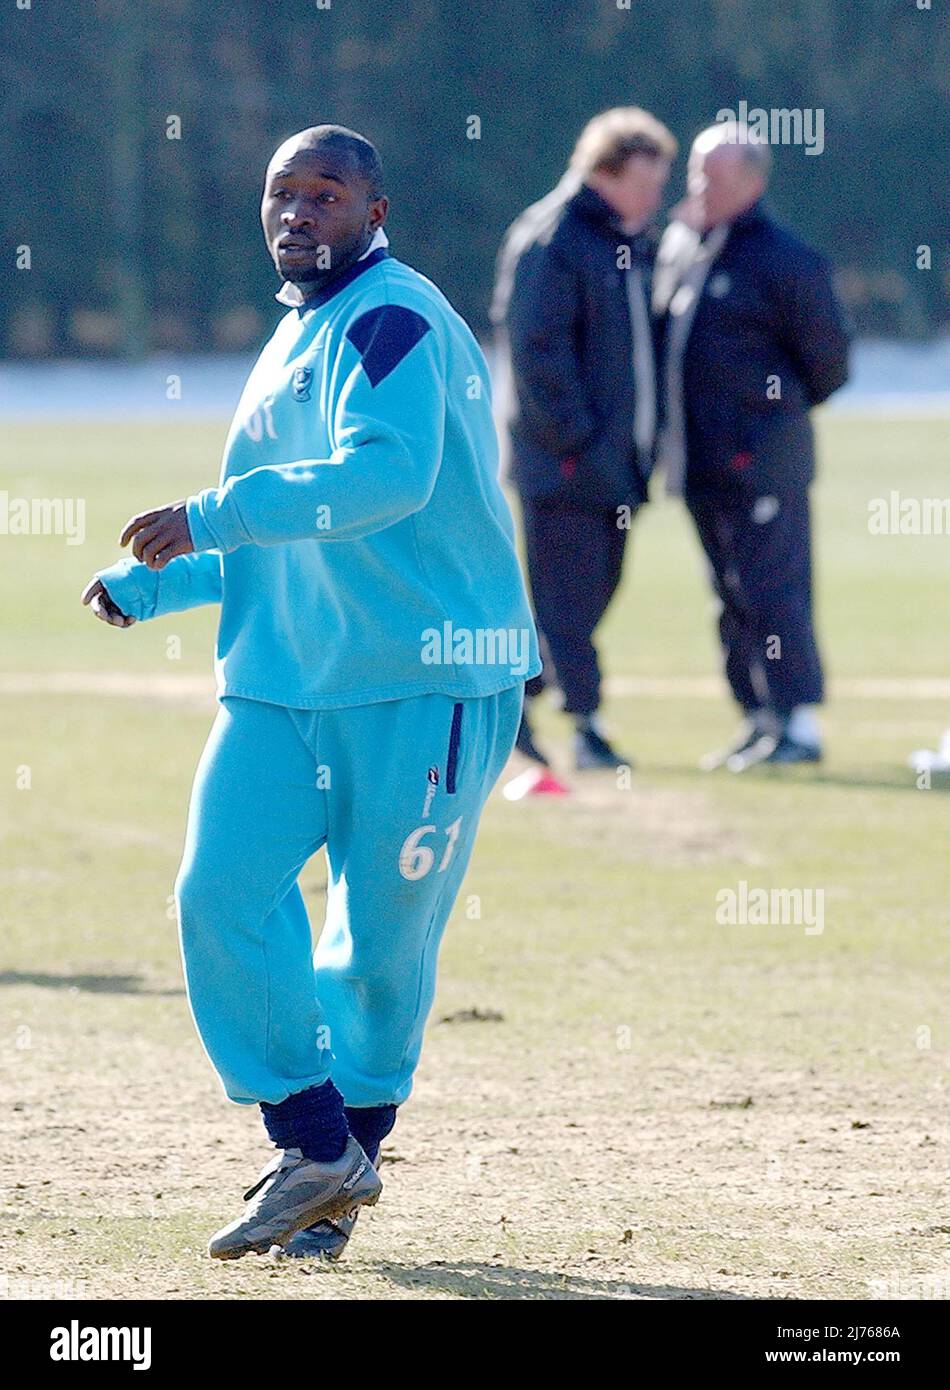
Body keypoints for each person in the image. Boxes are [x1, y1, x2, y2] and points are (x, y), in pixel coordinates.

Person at [81, 125, 539, 1261]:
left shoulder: (392, 320)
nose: (297, 214)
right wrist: (161, 583)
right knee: (218, 894)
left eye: (324, 196)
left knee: (377, 946)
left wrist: (210, 515)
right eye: (281, 195)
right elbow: (296, 529)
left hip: (423, 680)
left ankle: (342, 1170)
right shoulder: (296, 335)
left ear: (374, 211)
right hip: (284, 685)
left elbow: (380, 481)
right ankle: (314, 1139)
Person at [653, 121, 850, 770]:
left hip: (764, 467)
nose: (699, 186)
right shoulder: (686, 245)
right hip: (700, 465)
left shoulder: (785, 259)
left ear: (753, 183)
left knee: (775, 592)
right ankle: (756, 715)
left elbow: (829, 364)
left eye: (716, 176)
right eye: (695, 173)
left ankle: (799, 722)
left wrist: (763, 424)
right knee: (730, 598)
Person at [492, 107, 676, 774]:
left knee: (588, 598)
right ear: (604, 172)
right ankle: (586, 728)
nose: (656, 198)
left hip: (615, 467)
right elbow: (536, 356)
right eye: (645, 183)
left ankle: (514, 700)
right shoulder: (554, 239)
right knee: (566, 599)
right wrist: (580, 443)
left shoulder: (623, 239)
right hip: (566, 467)